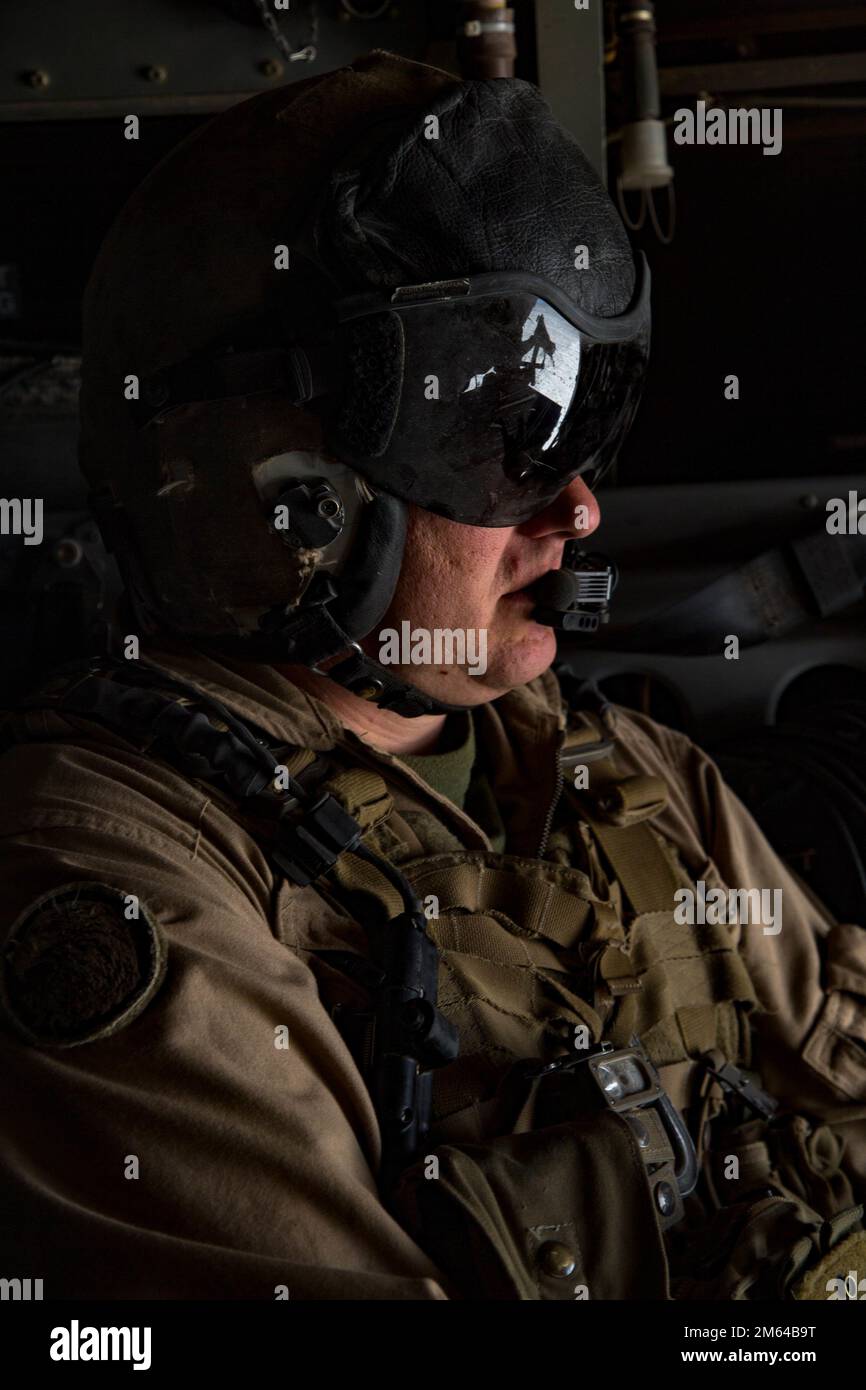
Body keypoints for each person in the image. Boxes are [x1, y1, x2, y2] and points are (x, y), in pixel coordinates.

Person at [1, 49, 865, 1302]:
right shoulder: (110, 882)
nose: (575, 509)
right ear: (288, 496)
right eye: (490, 439)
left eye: (574, 428)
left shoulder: (627, 777)